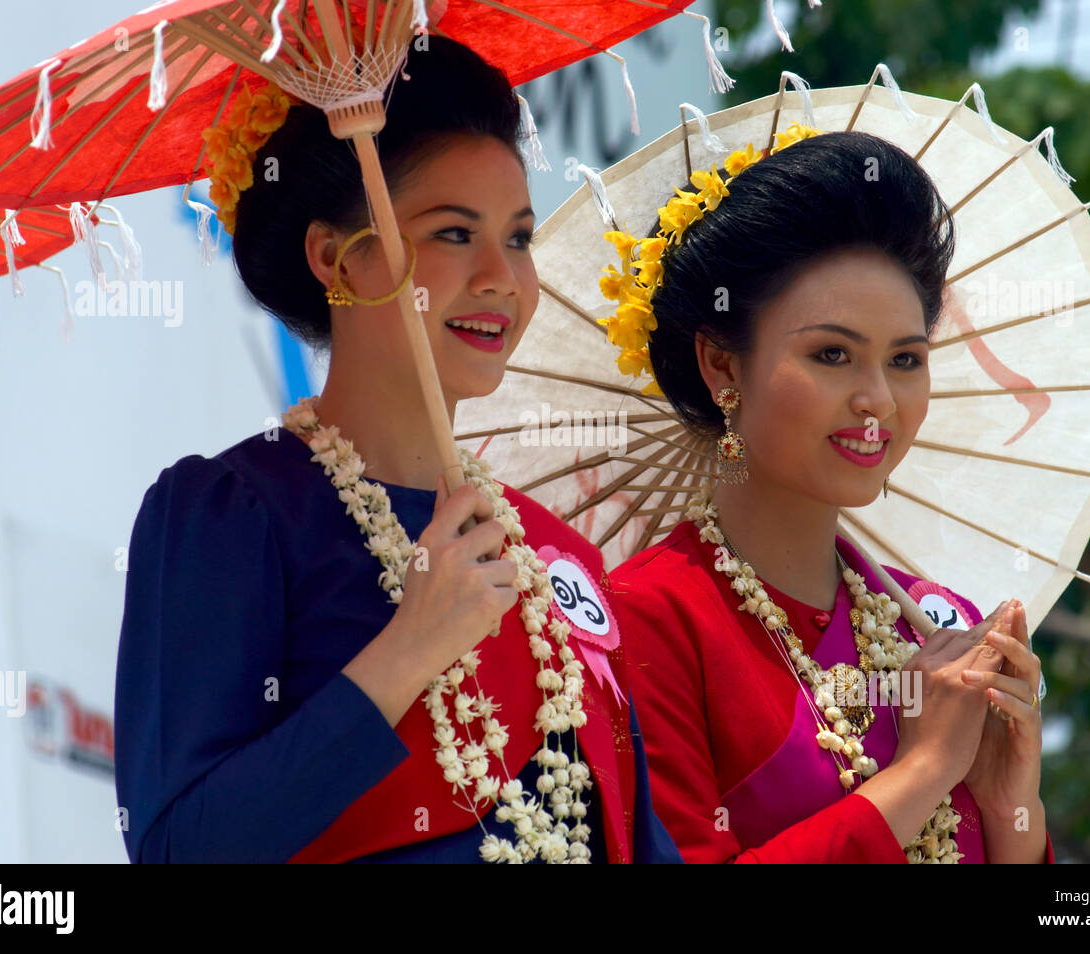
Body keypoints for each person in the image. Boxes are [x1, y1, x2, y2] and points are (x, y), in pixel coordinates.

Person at [114, 36, 679, 864]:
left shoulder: (552, 554)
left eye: (518, 238)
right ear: (335, 258)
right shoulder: (237, 513)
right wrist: (409, 649)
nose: (500, 277)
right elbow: (177, 849)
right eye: (454, 234)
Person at [604, 128, 1053, 863]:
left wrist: (1013, 810)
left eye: (906, 359)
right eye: (832, 355)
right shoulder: (649, 621)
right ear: (722, 364)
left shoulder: (937, 630)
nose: (879, 399)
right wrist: (925, 770)